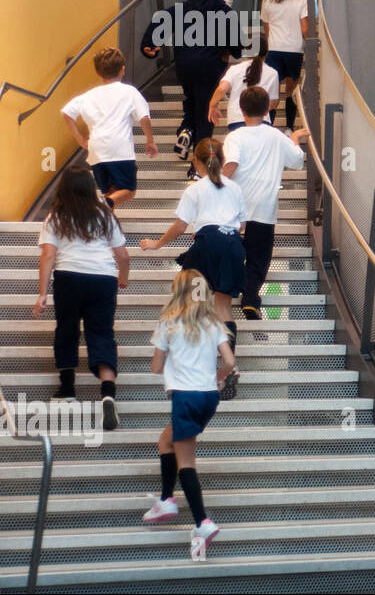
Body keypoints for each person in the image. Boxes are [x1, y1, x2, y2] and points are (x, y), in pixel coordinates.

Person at [141, 268, 236, 560]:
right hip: (208, 397)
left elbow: (156, 368)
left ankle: (202, 522)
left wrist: (170, 361)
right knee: (165, 441)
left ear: (178, 291)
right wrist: (215, 378)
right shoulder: (213, 322)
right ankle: (166, 499)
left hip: (185, 397)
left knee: (187, 462)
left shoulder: (168, 322)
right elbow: (230, 362)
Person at [139, 138, 245, 398]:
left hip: (207, 243)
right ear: (221, 159)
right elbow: (242, 227)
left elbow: (181, 225)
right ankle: (228, 367)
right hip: (232, 244)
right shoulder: (235, 188)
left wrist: (157, 244)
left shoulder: (195, 189)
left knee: (188, 301)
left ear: (196, 162)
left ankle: (187, 364)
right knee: (222, 308)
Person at [31, 168, 129, 430]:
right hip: (103, 279)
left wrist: (42, 294)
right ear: (90, 187)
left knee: (67, 330)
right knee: (102, 334)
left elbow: (48, 256)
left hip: (69, 278)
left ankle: (67, 390)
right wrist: (123, 278)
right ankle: (107, 393)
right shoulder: (104, 216)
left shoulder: (56, 217)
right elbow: (123, 256)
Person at [143, 0, 242, 174]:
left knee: (191, 103)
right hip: (210, 68)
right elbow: (237, 49)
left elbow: (158, 23)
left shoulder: (181, 9)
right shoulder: (225, 13)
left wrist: (149, 46)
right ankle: (197, 167)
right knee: (205, 114)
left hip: (184, 67)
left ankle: (186, 130)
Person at [222, 87, 309, 320]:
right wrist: (293, 139)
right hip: (264, 208)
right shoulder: (276, 136)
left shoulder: (234, 137)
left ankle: (227, 292)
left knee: (233, 252)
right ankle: (250, 298)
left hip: (235, 209)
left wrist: (214, 185)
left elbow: (231, 164)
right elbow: (298, 160)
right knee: (259, 257)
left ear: (241, 109)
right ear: (268, 109)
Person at [61, 47, 157, 208]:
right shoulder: (129, 92)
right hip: (120, 148)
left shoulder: (89, 95)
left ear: (98, 72)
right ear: (122, 70)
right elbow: (144, 118)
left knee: (110, 192)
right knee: (128, 190)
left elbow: (67, 112)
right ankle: (100, 204)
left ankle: (108, 228)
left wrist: (79, 139)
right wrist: (150, 141)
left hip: (97, 150)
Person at [260, 0, 309, 130]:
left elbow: (266, 27)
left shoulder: (267, 0)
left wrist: (272, 41)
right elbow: (305, 29)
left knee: (272, 90)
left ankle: (269, 125)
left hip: (274, 49)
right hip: (295, 50)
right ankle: (289, 127)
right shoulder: (302, 2)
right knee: (291, 90)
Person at [207, 42, 279, 130]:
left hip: (237, 118)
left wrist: (212, 105)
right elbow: (273, 102)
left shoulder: (235, 69)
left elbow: (222, 88)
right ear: (266, 52)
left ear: (246, 51)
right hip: (262, 120)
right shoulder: (273, 73)